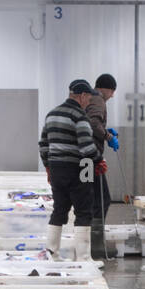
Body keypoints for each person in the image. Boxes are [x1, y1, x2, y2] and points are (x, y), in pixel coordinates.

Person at [39, 79, 100, 260]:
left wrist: (48, 167)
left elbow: (43, 145)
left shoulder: (51, 114)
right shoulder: (80, 117)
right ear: (82, 96)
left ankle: (52, 254)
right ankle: (83, 259)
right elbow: (86, 149)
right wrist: (99, 160)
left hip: (56, 169)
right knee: (84, 211)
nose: (89, 102)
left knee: (59, 209)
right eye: (88, 98)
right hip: (80, 168)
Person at [86, 73, 118, 220]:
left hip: (84, 157)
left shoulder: (89, 98)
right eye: (112, 91)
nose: (112, 96)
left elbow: (91, 122)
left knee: (89, 198)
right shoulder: (98, 100)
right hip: (91, 158)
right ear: (104, 89)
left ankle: (87, 234)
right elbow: (93, 124)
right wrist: (108, 136)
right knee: (102, 200)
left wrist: (105, 130)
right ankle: (95, 237)